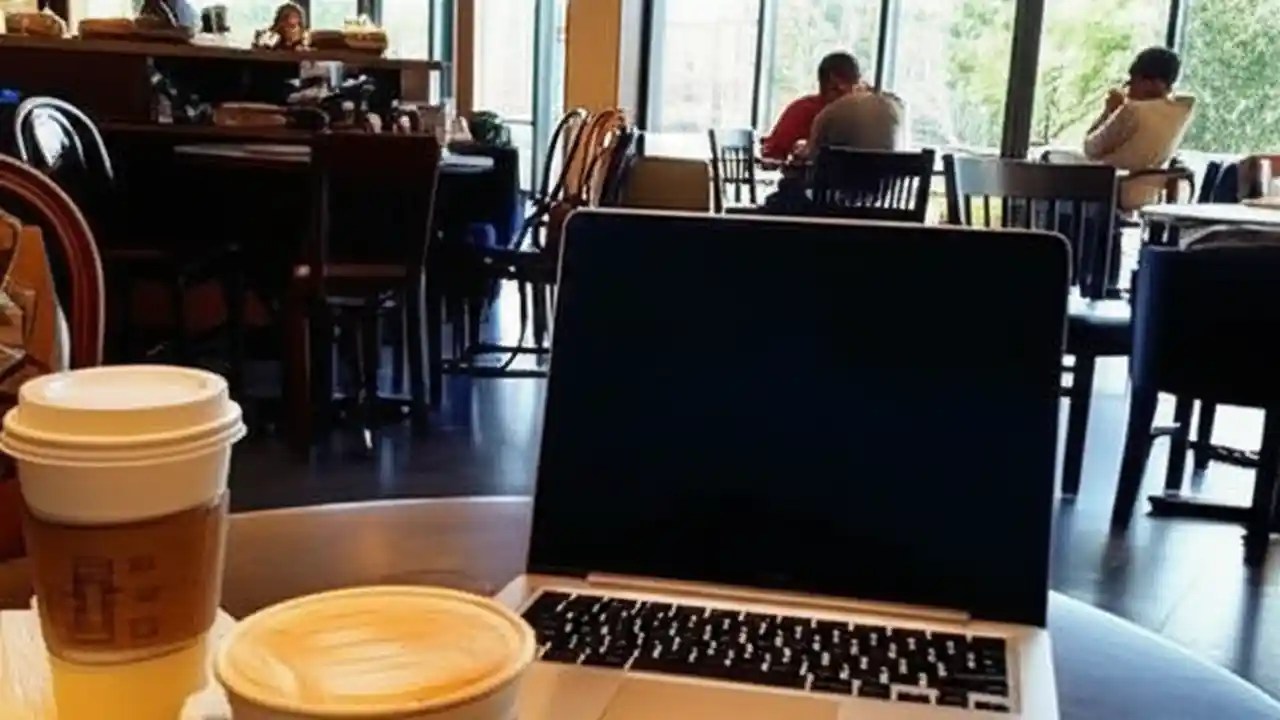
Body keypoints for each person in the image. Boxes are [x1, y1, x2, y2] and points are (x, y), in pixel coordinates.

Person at [1084, 46, 1195, 210]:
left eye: (1132, 82)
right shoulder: (1182, 110)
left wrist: (1109, 112)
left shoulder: (1133, 111)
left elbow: (1090, 148)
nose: (1129, 89)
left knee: (1053, 163)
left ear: (1147, 82)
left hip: (1115, 187)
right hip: (1150, 189)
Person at [761, 52, 860, 160]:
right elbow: (772, 154)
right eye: (837, 90)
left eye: (851, 91)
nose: (844, 98)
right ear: (823, 86)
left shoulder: (864, 118)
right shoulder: (802, 111)